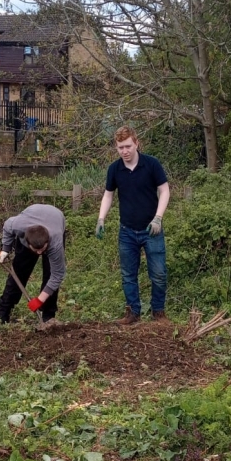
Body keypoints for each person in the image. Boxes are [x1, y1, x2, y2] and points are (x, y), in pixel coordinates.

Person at [96, 126, 170, 325]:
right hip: (127, 231)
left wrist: (158, 218)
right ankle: (133, 313)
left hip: (151, 230)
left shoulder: (151, 164)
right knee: (129, 275)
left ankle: (158, 312)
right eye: (120, 148)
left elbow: (164, 191)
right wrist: (101, 219)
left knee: (159, 273)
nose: (125, 151)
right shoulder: (115, 169)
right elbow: (108, 195)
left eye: (128, 146)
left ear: (136, 143)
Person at [0, 203, 67, 323]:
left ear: (47, 242)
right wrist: (5, 249)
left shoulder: (55, 242)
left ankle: (48, 316)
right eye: (36, 250)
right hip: (31, 219)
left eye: (42, 249)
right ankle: (3, 312)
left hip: (55, 219)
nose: (40, 253)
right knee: (18, 272)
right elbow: (7, 226)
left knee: (50, 274)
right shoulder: (18, 226)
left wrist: (40, 300)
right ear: (27, 242)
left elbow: (58, 274)